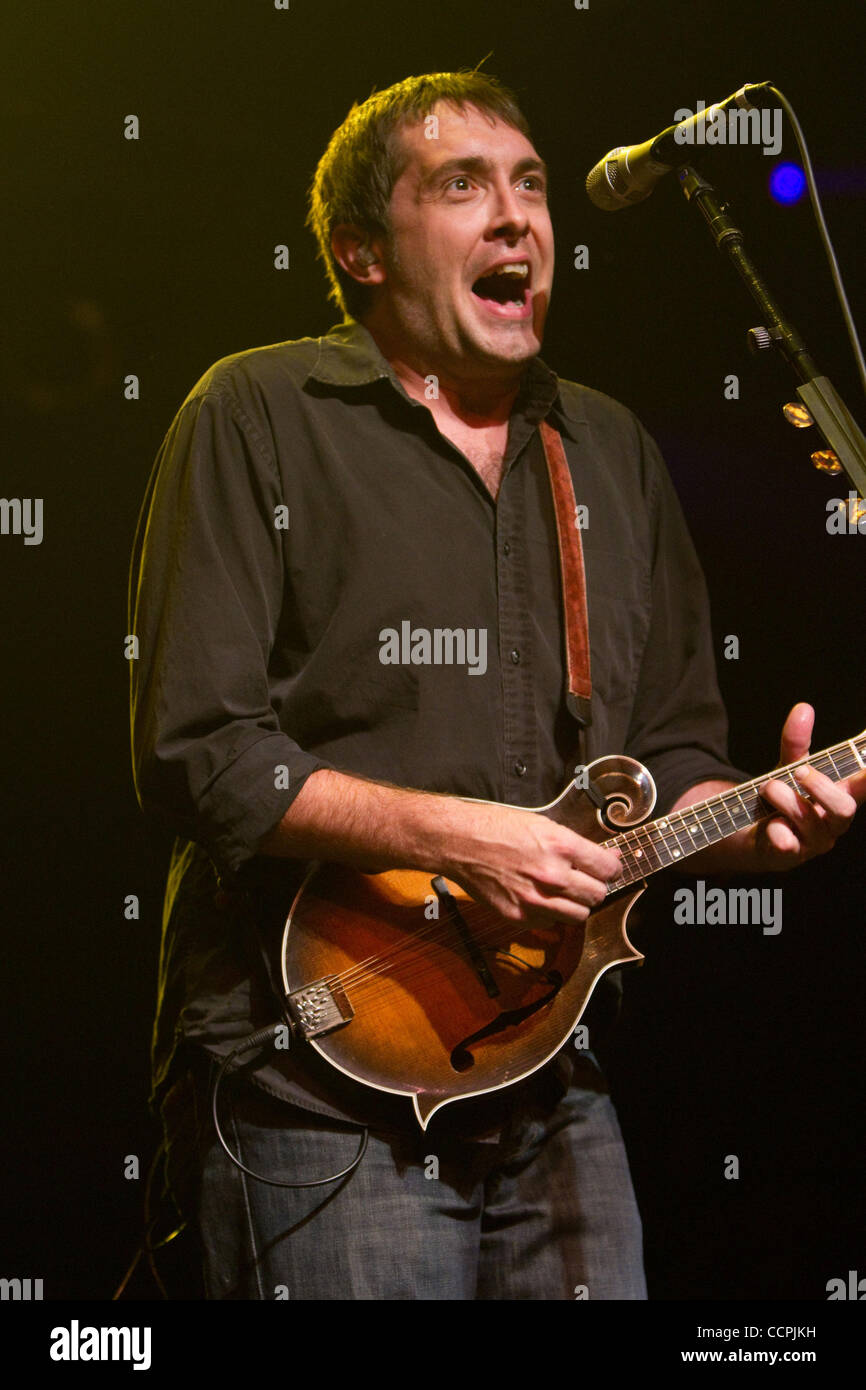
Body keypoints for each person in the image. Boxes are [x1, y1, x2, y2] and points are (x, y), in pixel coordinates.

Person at [129, 71, 865, 1301]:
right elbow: (195, 750)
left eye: (529, 182)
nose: (517, 214)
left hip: (551, 1076)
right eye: (461, 184)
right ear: (359, 251)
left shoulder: (610, 447)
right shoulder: (256, 411)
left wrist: (764, 827)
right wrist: (459, 835)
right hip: (317, 1080)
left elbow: (672, 760)